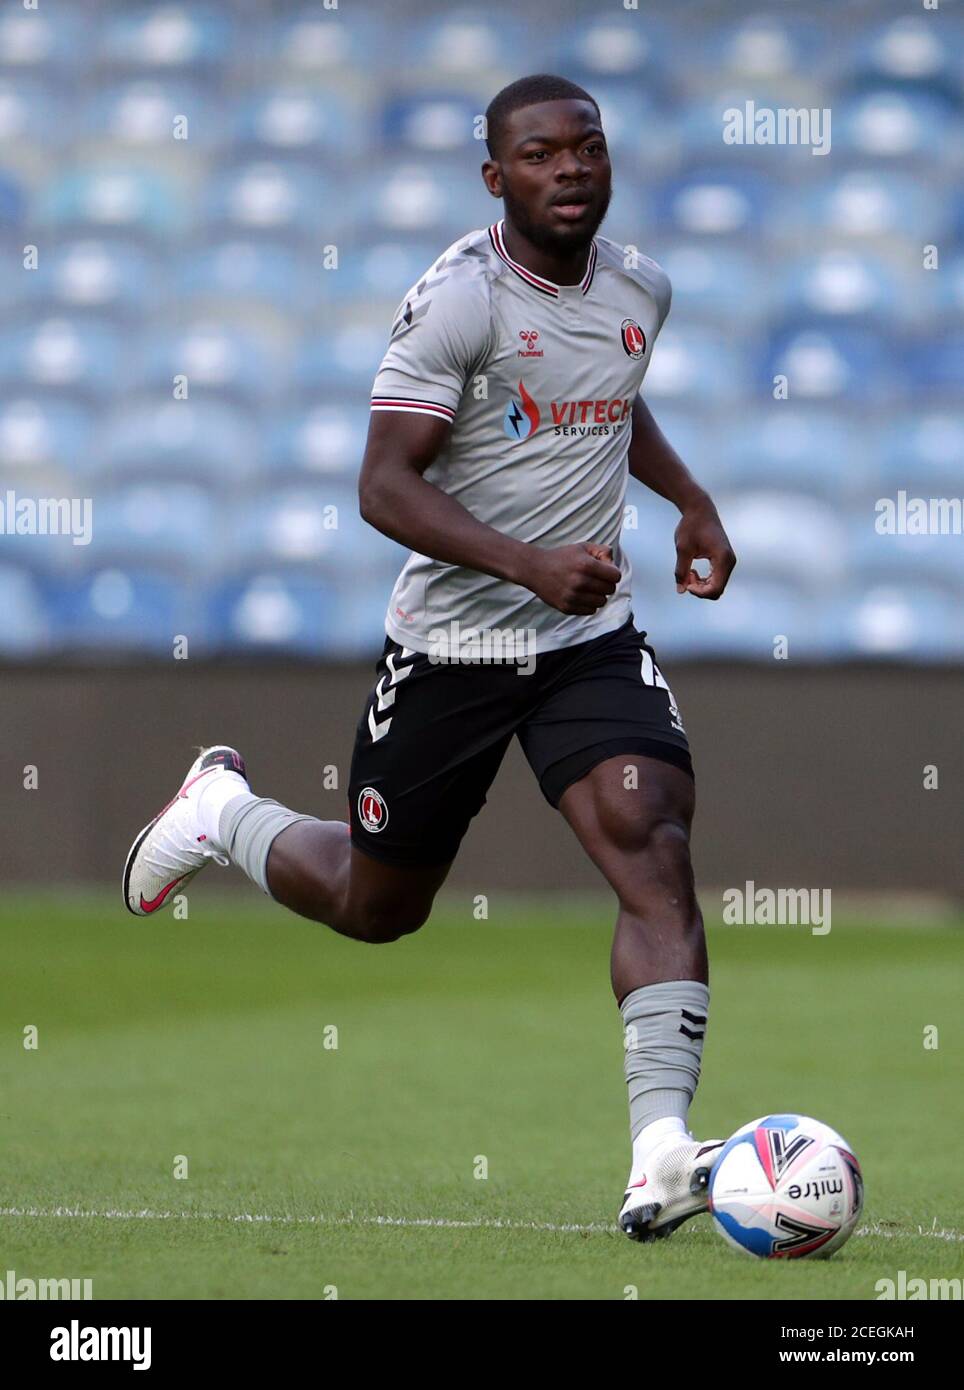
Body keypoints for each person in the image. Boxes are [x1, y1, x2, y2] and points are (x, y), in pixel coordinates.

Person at [123, 74, 737, 1242]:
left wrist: (689, 499)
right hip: (453, 645)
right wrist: (527, 563)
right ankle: (222, 814)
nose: (569, 168)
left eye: (587, 148)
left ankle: (661, 1151)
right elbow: (382, 486)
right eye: (539, 154)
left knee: (652, 841)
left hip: (584, 639)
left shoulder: (640, 287)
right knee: (377, 906)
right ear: (495, 178)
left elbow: (610, 395)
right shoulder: (459, 301)